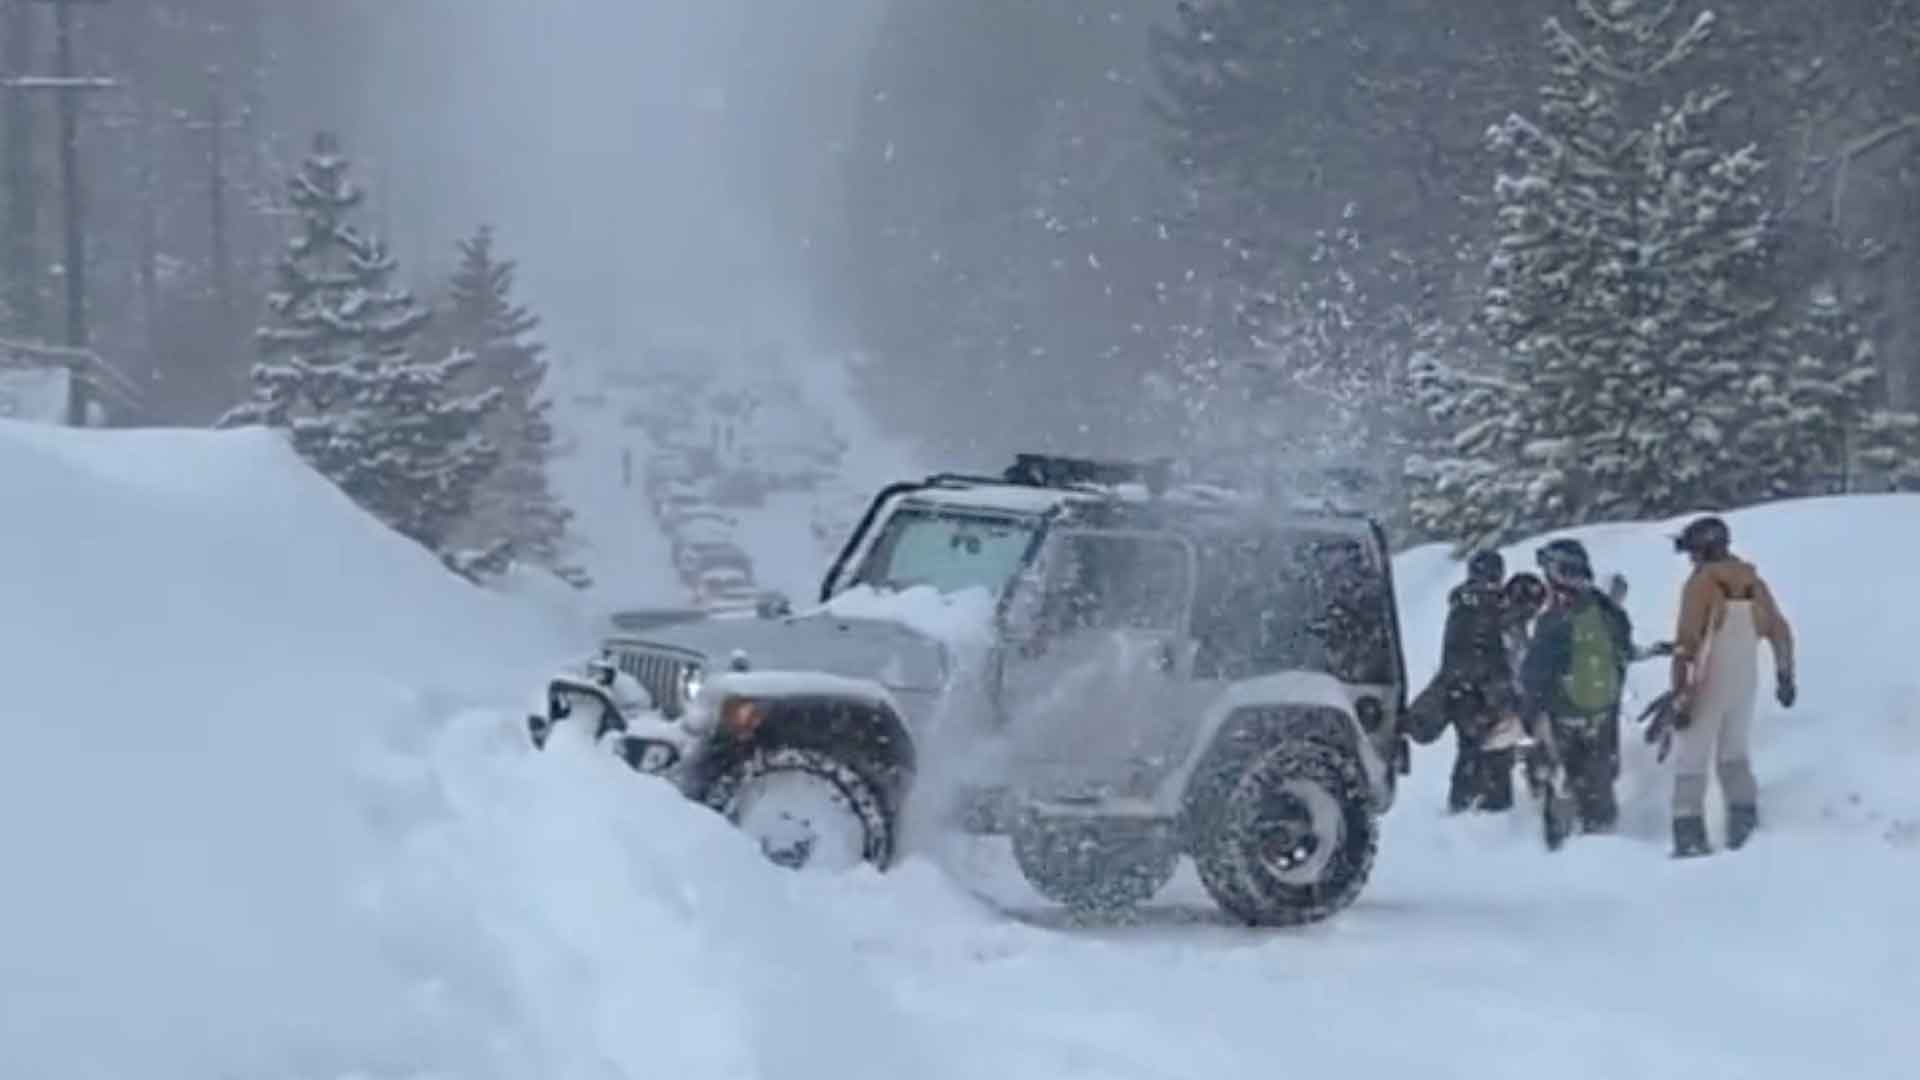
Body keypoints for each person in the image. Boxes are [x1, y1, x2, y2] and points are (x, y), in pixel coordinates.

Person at [1665, 515, 1796, 857]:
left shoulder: (1701, 584)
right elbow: (1779, 631)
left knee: (1691, 758)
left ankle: (1689, 835)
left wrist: (1680, 697)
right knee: (1734, 756)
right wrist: (1785, 676)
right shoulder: (1754, 584)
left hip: (1709, 681)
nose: (1691, 558)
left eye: (1693, 551)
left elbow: (1687, 645)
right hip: (1744, 682)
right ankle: (1744, 827)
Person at [1521, 538, 1633, 842]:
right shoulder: (1607, 609)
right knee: (1598, 777)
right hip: (1602, 710)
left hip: (1564, 712)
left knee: (1559, 777)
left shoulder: (1554, 619)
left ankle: (1559, 845)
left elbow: (1535, 672)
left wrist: (1529, 715)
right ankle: (1603, 835)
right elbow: (1624, 651)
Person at [1441, 549, 1518, 812]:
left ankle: (1463, 804)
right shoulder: (1485, 608)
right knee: (1493, 751)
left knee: (1471, 750)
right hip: (1484, 693)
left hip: (1463, 692)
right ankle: (1491, 809)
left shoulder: (1463, 605)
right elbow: (1494, 653)